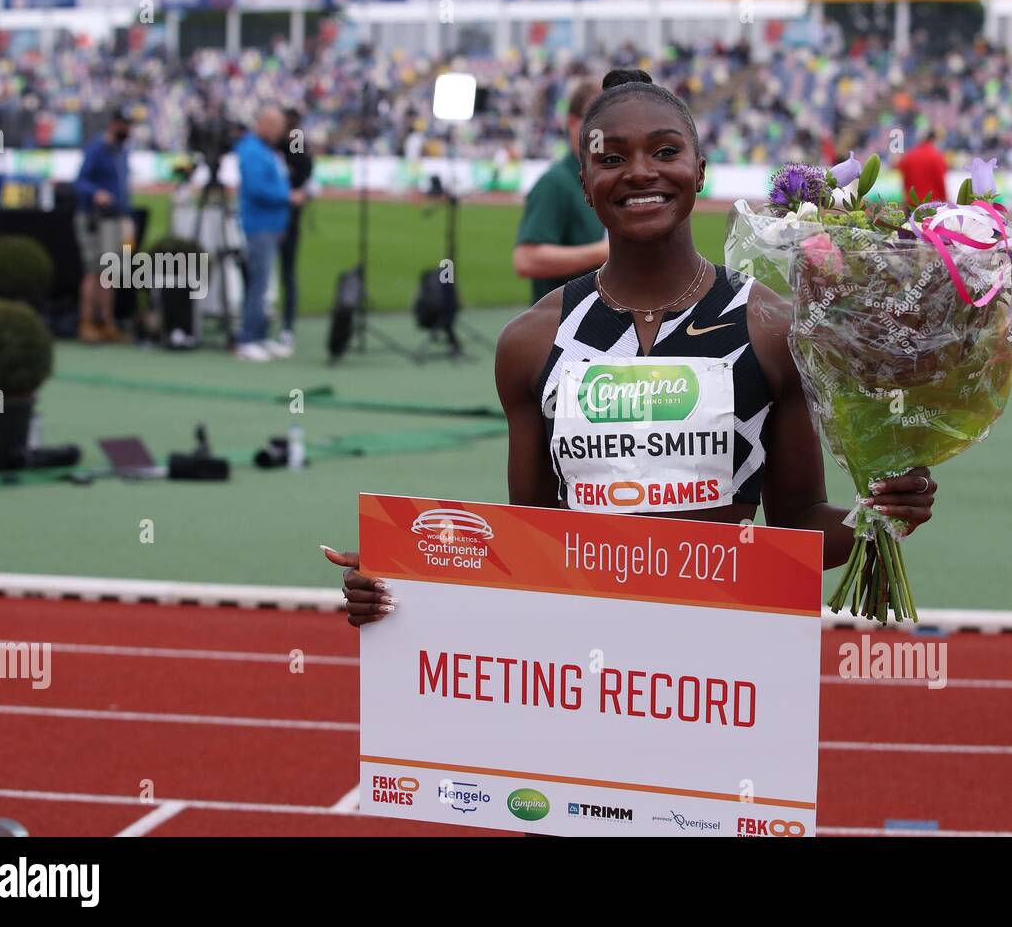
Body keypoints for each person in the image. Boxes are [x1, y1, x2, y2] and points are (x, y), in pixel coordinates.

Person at [324, 69, 940, 625]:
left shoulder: (771, 329)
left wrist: (879, 516)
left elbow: (799, 523)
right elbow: (531, 541)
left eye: (666, 151)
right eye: (612, 158)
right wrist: (402, 580)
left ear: (700, 170)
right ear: (585, 184)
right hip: (583, 667)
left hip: (724, 664)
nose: (641, 172)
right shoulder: (532, 342)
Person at [513, 80, 609, 304]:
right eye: (596, 119)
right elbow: (526, 259)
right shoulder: (555, 183)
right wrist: (605, 252)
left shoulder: (607, 181)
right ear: (573, 123)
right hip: (561, 321)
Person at [234, 105, 301, 362]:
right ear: (264, 124)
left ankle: (260, 335)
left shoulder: (266, 150)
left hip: (272, 225)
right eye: (276, 126)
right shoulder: (253, 150)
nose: (280, 132)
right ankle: (249, 337)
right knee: (259, 283)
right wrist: (287, 196)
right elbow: (257, 188)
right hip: (260, 224)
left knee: (265, 285)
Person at [72, 104, 135, 344]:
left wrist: (126, 217)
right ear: (114, 124)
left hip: (114, 219)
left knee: (109, 272)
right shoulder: (97, 149)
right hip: (93, 218)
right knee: (93, 271)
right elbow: (80, 182)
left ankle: (106, 322)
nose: (127, 130)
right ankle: (87, 322)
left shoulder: (121, 152)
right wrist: (96, 193)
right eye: (124, 125)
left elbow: (123, 189)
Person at [278, 106, 315, 355]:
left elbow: (303, 172)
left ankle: (288, 325)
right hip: (276, 214)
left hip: (289, 217)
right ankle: (276, 322)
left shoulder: (296, 143)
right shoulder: (276, 143)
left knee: (287, 274)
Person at [897, 128, 948, 204]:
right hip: (932, 203)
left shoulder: (909, 155)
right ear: (933, 139)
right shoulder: (936, 156)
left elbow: (903, 175)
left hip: (912, 203)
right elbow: (940, 182)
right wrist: (944, 200)